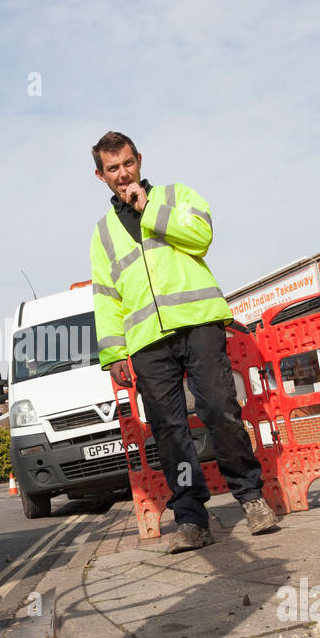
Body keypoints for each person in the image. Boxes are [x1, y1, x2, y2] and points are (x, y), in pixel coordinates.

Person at [89, 130, 279, 549]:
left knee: (219, 409)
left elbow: (201, 237)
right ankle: (192, 519)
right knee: (169, 431)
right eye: (113, 168)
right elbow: (105, 298)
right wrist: (115, 352)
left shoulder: (177, 196)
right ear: (100, 176)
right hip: (146, 342)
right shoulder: (102, 234)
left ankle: (251, 498)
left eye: (128, 164)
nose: (123, 174)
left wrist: (148, 209)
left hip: (198, 322)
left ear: (140, 160)